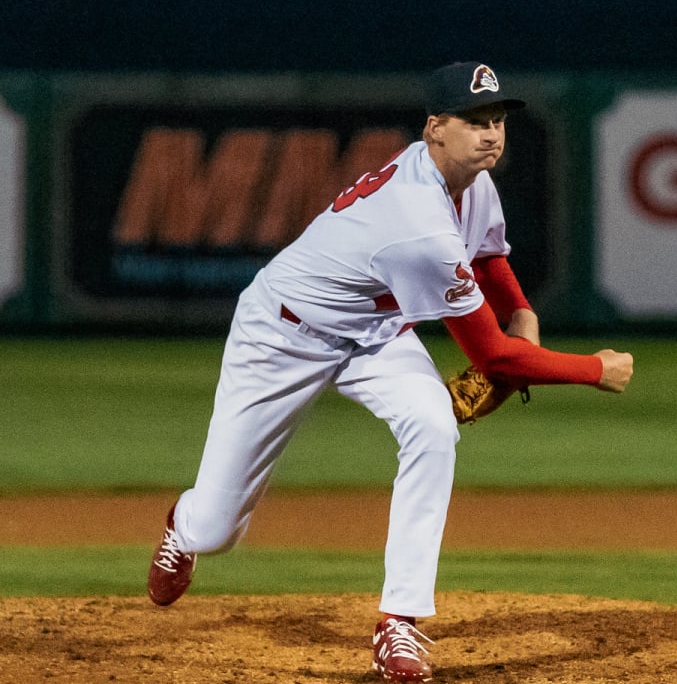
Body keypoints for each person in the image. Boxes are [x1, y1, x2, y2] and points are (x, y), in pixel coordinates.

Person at [146, 61, 634, 682]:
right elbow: (492, 357)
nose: (491, 134)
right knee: (216, 530)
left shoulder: (471, 178)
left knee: (434, 426)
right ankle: (182, 527)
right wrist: (593, 369)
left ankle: (398, 624)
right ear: (434, 129)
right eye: (474, 120)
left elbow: (487, 256)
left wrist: (523, 312)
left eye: (498, 119)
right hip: (282, 334)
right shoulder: (416, 223)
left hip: (377, 334)